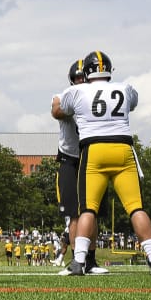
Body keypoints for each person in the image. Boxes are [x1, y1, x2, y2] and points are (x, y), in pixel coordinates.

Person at [52, 51, 151, 277]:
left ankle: (78, 262)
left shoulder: (76, 91)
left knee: (87, 209)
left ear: (87, 72)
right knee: (136, 207)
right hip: (124, 149)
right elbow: (132, 104)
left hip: (94, 150)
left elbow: (59, 109)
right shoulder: (125, 88)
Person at [52, 59, 86, 266]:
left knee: (90, 212)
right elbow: (56, 110)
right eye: (78, 77)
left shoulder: (97, 99)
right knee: (72, 213)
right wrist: (79, 106)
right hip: (68, 158)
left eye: (84, 77)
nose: (81, 80)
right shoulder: (64, 96)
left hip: (89, 157)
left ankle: (88, 259)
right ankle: (75, 259)